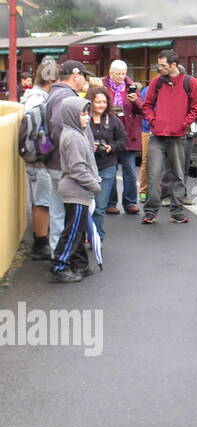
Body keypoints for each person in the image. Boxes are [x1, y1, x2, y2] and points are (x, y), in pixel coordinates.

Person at [140, 50, 197, 225]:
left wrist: (183, 123)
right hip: (157, 136)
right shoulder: (156, 82)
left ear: (174, 65)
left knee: (178, 175)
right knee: (153, 175)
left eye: (163, 65)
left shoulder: (190, 82)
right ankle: (151, 212)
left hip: (178, 136)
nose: (159, 68)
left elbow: (196, 108)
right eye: (159, 65)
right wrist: (153, 121)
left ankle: (177, 211)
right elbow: (147, 105)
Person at [50, 95, 100, 283]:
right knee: (72, 231)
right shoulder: (73, 137)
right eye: (83, 114)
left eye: (87, 113)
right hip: (76, 191)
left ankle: (80, 264)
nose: (87, 117)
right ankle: (59, 266)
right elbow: (77, 168)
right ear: (72, 115)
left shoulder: (77, 133)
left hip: (78, 191)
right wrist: (94, 185)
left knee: (77, 230)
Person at [41, 60, 90, 250]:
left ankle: (58, 252)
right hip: (65, 163)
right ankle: (64, 256)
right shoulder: (65, 96)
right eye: (83, 76)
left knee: (58, 211)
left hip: (55, 161)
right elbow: (61, 128)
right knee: (73, 211)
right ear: (76, 75)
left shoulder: (54, 92)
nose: (84, 80)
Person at [22, 59, 59, 260]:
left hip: (32, 157)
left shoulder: (28, 97)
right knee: (43, 201)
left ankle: (40, 240)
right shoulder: (40, 100)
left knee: (38, 199)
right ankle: (41, 242)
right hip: (40, 158)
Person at [86, 85, 127, 241]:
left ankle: (97, 237)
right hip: (87, 167)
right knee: (85, 206)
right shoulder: (84, 118)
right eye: (98, 102)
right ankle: (84, 234)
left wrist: (111, 147)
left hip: (107, 166)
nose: (101, 105)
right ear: (91, 102)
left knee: (100, 206)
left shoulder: (113, 120)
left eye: (104, 102)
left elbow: (123, 140)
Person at [103, 60, 142, 214]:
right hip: (109, 133)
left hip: (129, 133)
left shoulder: (131, 87)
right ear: (110, 73)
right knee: (110, 170)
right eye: (117, 74)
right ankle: (111, 203)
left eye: (123, 74)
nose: (121, 77)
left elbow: (143, 110)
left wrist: (136, 101)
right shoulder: (102, 86)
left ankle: (130, 202)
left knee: (130, 171)